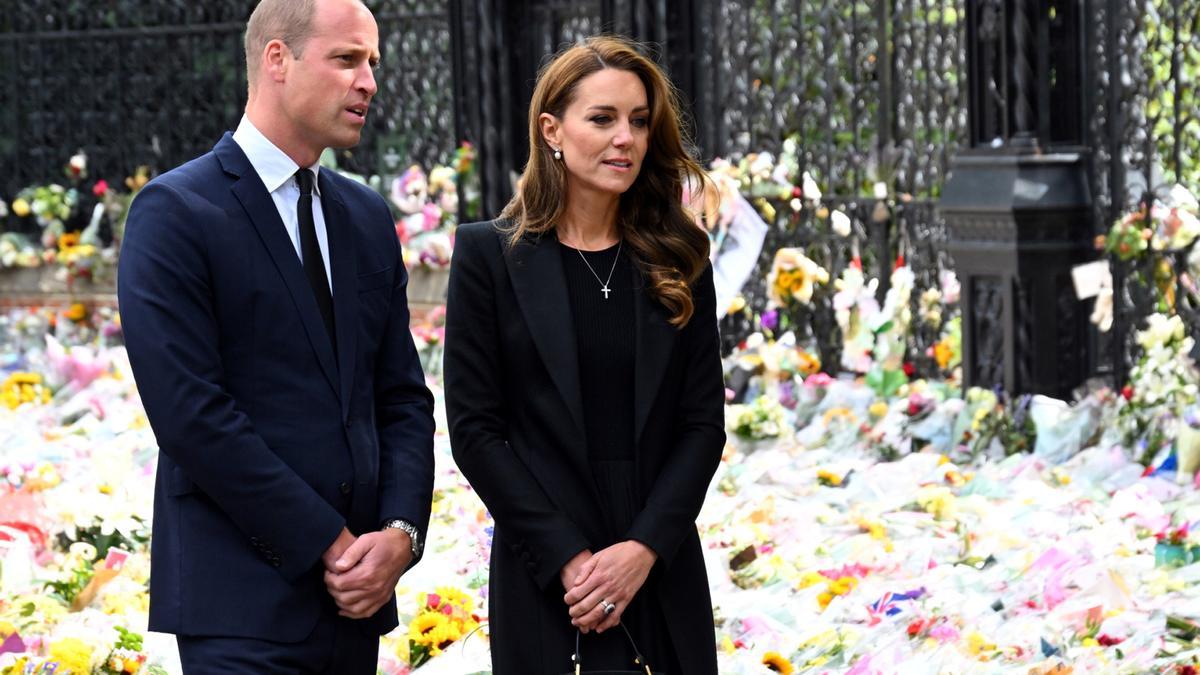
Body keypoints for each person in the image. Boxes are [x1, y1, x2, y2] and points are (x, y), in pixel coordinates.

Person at [116, 0, 435, 671]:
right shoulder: (176, 212)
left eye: (373, 62)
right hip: (240, 607)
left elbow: (402, 398)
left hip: (355, 610)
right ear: (277, 60)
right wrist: (332, 542)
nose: (369, 80)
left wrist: (401, 535)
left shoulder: (366, 217)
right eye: (347, 58)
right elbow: (192, 417)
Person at [444, 35, 725, 674]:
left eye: (638, 121)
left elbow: (702, 424)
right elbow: (476, 431)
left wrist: (644, 549)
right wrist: (569, 559)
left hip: (660, 559)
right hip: (547, 571)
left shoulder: (680, 255)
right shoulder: (488, 257)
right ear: (553, 130)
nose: (624, 137)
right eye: (602, 119)